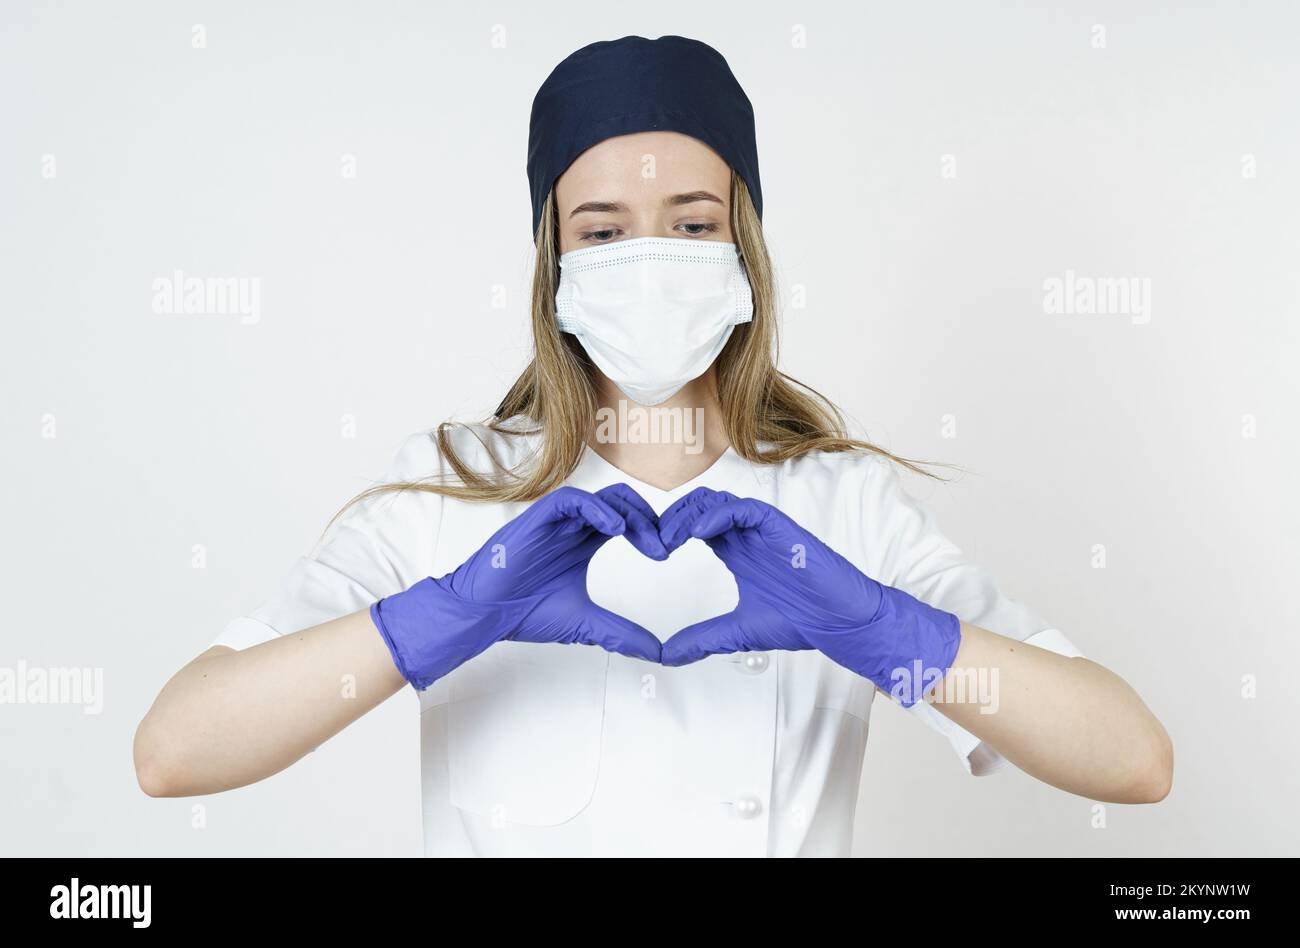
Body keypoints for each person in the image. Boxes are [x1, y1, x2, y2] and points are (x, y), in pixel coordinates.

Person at [134, 35, 1172, 857]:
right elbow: (176, 751)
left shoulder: (841, 505)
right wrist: (431, 621)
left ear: (744, 250)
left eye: (688, 224)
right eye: (601, 230)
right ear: (553, 262)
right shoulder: (449, 495)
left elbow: (1133, 759)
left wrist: (896, 636)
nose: (647, 258)